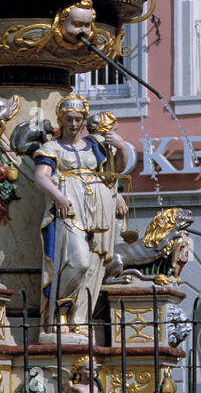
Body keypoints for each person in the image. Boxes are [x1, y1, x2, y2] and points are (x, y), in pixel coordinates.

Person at [31, 94, 132, 339]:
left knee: (94, 267)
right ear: (61, 120)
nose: (74, 124)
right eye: (68, 119)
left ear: (84, 120)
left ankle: (79, 317)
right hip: (70, 209)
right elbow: (41, 177)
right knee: (78, 262)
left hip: (97, 211)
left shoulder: (95, 145)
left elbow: (115, 170)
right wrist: (59, 197)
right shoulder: (52, 147)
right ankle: (59, 311)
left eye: (78, 119)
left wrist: (121, 145)